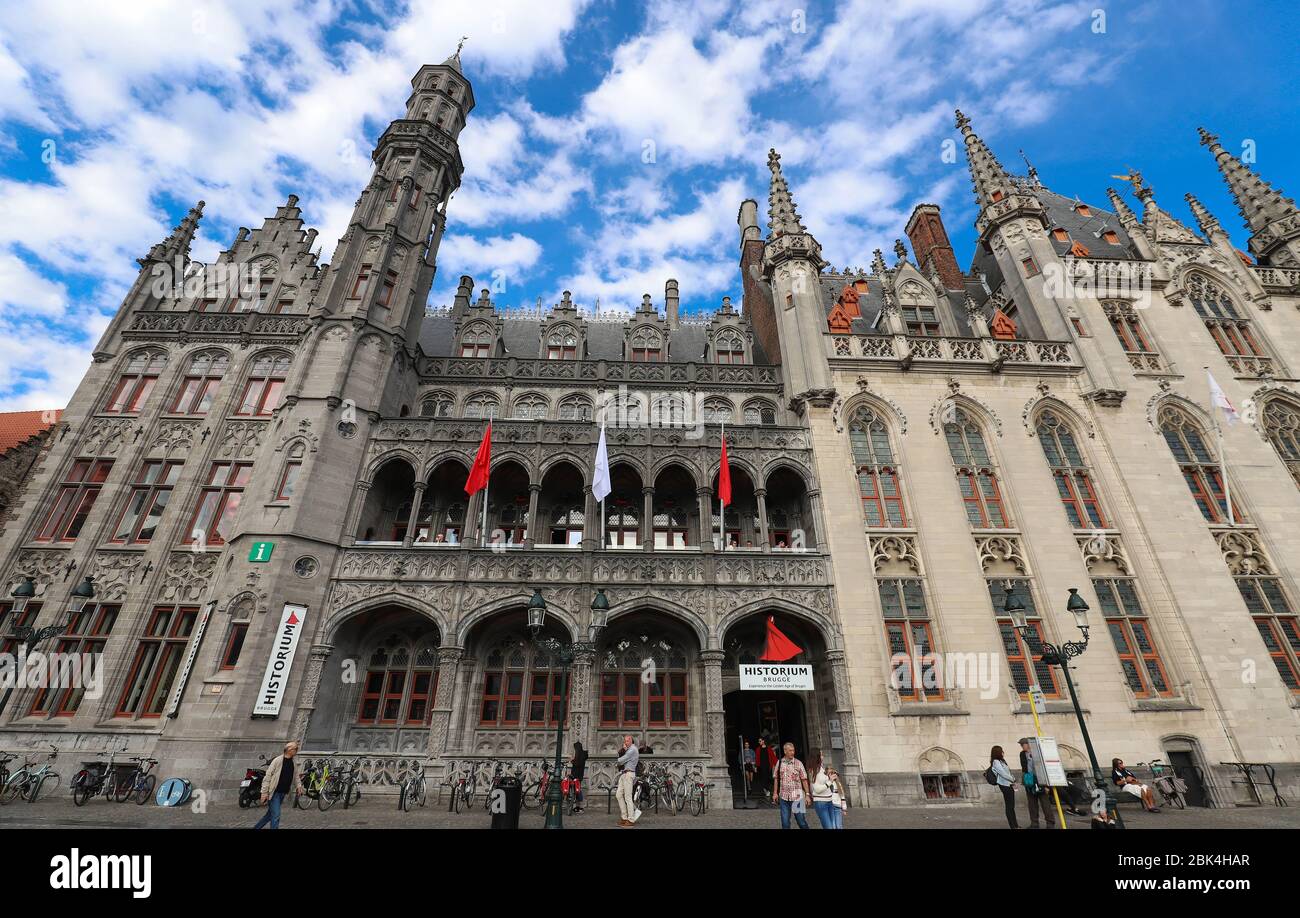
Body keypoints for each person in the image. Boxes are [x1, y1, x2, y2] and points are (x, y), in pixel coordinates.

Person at [254, 741, 301, 829]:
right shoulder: (277, 760)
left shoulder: (293, 762)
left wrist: (299, 786)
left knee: (269, 815)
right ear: (289, 750)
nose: (297, 751)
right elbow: (267, 777)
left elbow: (296, 775)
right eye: (296, 749)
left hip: (282, 792)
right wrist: (264, 793)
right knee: (276, 815)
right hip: (274, 792)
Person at [772, 742, 811, 829]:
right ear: (785, 751)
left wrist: (807, 795)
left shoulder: (798, 763)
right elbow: (776, 778)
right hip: (784, 798)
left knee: (801, 822)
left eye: (793, 750)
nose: (792, 752)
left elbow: (804, 780)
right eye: (790, 750)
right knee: (785, 824)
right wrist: (775, 793)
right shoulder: (780, 763)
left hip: (798, 798)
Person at [1018, 738, 1055, 828]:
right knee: (1032, 803)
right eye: (1021, 745)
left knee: (1045, 803)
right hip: (1029, 779)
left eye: (1023, 744)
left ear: (1028, 744)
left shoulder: (1038, 753)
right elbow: (1024, 767)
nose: (1022, 746)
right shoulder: (1022, 754)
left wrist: (1047, 785)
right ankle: (1034, 823)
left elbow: (1043, 768)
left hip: (1040, 780)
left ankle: (1050, 823)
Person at [808, 750, 839, 829]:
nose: (823, 757)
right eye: (821, 755)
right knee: (828, 827)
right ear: (816, 757)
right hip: (821, 803)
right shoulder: (813, 770)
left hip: (829, 801)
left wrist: (831, 776)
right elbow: (817, 789)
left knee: (833, 826)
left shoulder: (822, 768)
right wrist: (830, 781)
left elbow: (824, 781)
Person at [615, 735, 641, 827]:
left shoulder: (632, 750)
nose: (625, 742)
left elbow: (620, 760)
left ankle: (630, 820)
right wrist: (623, 751)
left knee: (628, 797)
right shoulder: (628, 750)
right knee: (618, 795)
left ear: (631, 741)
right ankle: (624, 817)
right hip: (624, 774)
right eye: (625, 741)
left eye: (627, 741)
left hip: (629, 774)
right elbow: (621, 759)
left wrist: (622, 753)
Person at [990, 745, 1018, 829]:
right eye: (1001, 751)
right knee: (1009, 806)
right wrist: (1012, 779)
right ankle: (1013, 826)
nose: (1003, 752)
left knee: (1011, 806)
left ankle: (1015, 825)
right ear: (998, 752)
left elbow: (1007, 772)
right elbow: (1002, 773)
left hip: (1009, 784)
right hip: (1004, 785)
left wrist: (1012, 780)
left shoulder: (1001, 761)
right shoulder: (996, 762)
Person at [754, 737, 776, 801]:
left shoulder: (768, 748)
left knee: (768, 777)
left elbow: (772, 756)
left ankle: (767, 789)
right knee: (763, 777)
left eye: (760, 741)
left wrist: (776, 763)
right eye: (759, 741)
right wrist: (755, 766)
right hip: (761, 766)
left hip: (768, 765)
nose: (759, 742)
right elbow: (756, 758)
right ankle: (766, 789)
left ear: (763, 741)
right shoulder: (758, 749)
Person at [827, 764, 847, 829]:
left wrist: (844, 809)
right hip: (829, 806)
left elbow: (842, 796)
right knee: (832, 826)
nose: (831, 775)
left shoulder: (838, 783)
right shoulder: (826, 783)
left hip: (837, 806)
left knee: (839, 825)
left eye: (832, 773)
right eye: (829, 773)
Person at [570, 741, 588, 812]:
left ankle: (580, 807)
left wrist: (572, 760)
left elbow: (577, 764)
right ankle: (577, 806)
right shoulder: (582, 755)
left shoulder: (580, 755)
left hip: (577, 776)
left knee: (578, 790)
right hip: (577, 775)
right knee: (576, 790)